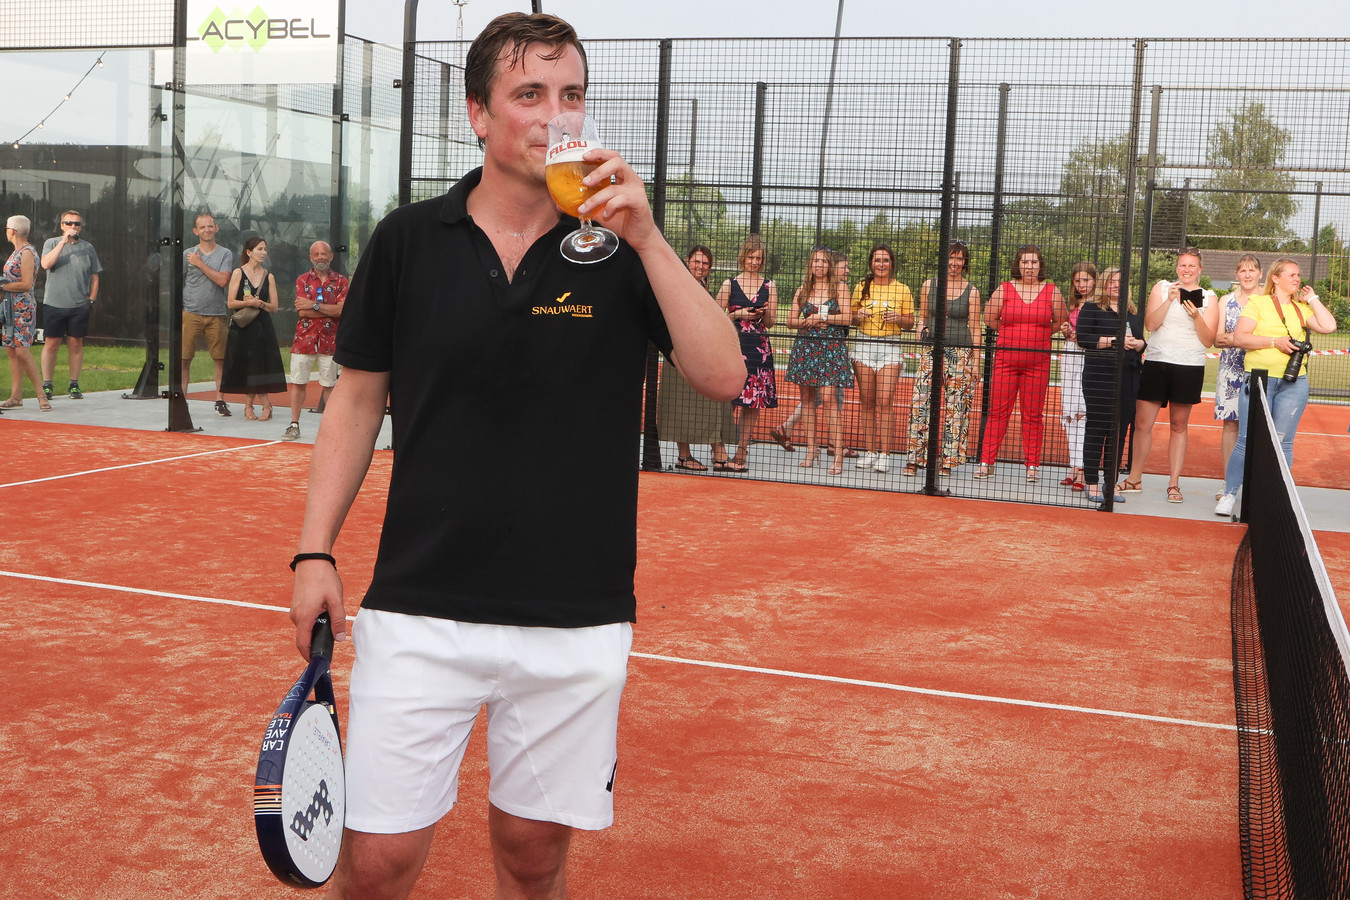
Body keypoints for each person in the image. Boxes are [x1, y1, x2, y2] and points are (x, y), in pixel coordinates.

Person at [287, 14, 744, 899]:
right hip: (421, 604)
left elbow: (725, 375)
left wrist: (648, 237)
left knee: (533, 858)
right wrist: (314, 550)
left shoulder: (619, 250)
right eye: (529, 94)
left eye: (571, 95)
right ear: (478, 116)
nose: (553, 116)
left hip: (575, 611)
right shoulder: (409, 240)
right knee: (377, 863)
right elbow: (354, 401)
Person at [1215, 259, 1337, 517]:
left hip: (1294, 383)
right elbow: (1240, 337)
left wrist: (1313, 298)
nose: (1297, 278)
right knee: (1246, 440)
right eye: (1292, 274)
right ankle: (1230, 494)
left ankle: (1275, 496)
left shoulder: (1301, 308)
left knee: (1284, 443)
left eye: (1299, 275)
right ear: (1276, 278)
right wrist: (1275, 341)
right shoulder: (1258, 303)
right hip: (1260, 380)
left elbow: (1328, 326)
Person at [1119, 248, 1219, 503]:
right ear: (1177, 268)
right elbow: (1150, 326)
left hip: (1189, 365)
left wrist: (1196, 315)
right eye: (1183, 265)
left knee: (1178, 425)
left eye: (1192, 265)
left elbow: (1208, 340)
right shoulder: (1162, 288)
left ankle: (1173, 484)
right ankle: (1134, 479)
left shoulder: (1209, 297)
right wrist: (1169, 301)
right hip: (1157, 362)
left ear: (1200, 269)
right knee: (1142, 423)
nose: (1187, 270)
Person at [975, 244, 1069, 482]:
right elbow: (989, 318)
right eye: (1025, 262)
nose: (1029, 267)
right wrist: (1012, 333)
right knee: (997, 412)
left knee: (1033, 415)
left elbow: (1060, 321)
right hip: (1005, 362)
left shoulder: (1052, 291)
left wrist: (1037, 334)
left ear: (1040, 265)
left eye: (1034, 263)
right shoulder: (1005, 289)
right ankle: (986, 461)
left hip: (1038, 364)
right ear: (1018, 265)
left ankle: (1032, 465)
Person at [904, 240, 983, 478]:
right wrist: (920, 328)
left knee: (955, 407)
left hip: (961, 354)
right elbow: (923, 315)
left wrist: (977, 361)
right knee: (921, 402)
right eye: (950, 257)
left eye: (959, 258)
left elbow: (976, 327)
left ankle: (948, 460)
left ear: (965, 262)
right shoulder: (930, 284)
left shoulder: (973, 291)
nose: (954, 263)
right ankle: (915, 458)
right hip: (932, 351)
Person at [657, 244, 736, 469]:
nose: (700, 267)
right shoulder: (678, 284)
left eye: (705, 263)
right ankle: (685, 456)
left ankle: (718, 454)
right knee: (679, 404)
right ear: (688, 261)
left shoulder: (702, 285)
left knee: (714, 399)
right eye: (696, 262)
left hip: (701, 354)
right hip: (678, 354)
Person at [771, 250, 855, 460]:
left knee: (828, 399)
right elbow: (790, 322)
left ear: (829, 266)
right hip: (806, 348)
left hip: (831, 349)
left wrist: (821, 316)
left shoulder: (840, 288)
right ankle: (811, 451)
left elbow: (847, 318)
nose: (819, 265)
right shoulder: (802, 290)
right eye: (815, 261)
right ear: (811, 265)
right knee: (807, 400)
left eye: (823, 261)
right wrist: (807, 322)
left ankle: (837, 455)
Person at [1075, 267, 1145, 505]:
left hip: (1128, 376)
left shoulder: (1132, 312)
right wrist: (1116, 340)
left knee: (1120, 431)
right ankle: (1092, 482)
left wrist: (1138, 344)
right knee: (1097, 429)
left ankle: (1110, 483)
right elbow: (1084, 339)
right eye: (1112, 281)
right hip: (1099, 377)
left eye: (1120, 281)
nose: (1116, 285)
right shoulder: (1092, 308)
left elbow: (1141, 341)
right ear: (1104, 284)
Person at [849, 244, 913, 472]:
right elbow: (851, 319)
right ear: (871, 264)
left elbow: (910, 322)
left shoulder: (902, 289)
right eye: (877, 260)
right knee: (867, 401)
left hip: (890, 346)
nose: (881, 264)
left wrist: (898, 318)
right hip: (864, 345)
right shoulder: (861, 287)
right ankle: (870, 451)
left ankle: (885, 454)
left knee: (884, 401)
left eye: (886, 260)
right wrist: (858, 315)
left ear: (892, 264)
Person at [717, 233, 778, 472]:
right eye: (751, 257)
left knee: (753, 402)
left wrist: (763, 313)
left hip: (759, 348)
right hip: (734, 345)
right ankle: (722, 449)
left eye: (759, 258)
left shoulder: (769, 285)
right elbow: (716, 315)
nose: (755, 261)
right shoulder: (729, 283)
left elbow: (772, 322)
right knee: (731, 397)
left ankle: (742, 450)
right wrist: (738, 315)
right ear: (744, 257)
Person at [283, 240, 348, 441]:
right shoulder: (302, 280)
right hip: (304, 339)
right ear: (311, 258)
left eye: (324, 253)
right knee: (298, 382)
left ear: (331, 256)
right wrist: (325, 309)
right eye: (316, 254)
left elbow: (342, 310)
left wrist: (314, 306)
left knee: (329, 384)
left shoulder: (341, 281)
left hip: (331, 341)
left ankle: (332, 428)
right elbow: (302, 311)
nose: (321, 257)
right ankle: (294, 424)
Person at [220, 237, 286, 419]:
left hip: (263, 326)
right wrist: (247, 302)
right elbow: (231, 303)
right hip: (243, 326)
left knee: (260, 366)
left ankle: (255, 405)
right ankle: (261, 405)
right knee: (248, 366)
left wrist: (260, 304)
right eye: (259, 249)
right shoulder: (238, 273)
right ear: (249, 252)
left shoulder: (269, 276)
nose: (263, 252)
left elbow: (275, 307)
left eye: (265, 249)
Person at [39, 210, 101, 401]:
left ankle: (74, 384)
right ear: (61, 225)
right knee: (52, 344)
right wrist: (63, 242)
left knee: (76, 344)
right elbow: (45, 264)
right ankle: (47, 385)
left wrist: (91, 299)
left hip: (79, 306)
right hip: (54, 303)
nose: (73, 227)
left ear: (81, 226)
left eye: (76, 224)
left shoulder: (88, 247)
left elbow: (95, 276)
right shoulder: (51, 243)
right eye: (68, 223)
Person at [1213, 254, 1262, 489]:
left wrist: (1236, 338)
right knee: (1230, 425)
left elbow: (1269, 338)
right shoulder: (1226, 300)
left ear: (1260, 274)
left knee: (1256, 427)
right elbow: (1217, 339)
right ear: (1236, 275)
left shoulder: (1268, 300)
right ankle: (1229, 483)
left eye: (1252, 270)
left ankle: (1253, 486)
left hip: (1259, 370)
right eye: (1243, 271)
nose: (1248, 275)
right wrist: (1245, 338)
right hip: (1230, 370)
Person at [180, 213, 235, 416]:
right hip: (191, 313)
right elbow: (180, 282)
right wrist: (183, 309)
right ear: (196, 231)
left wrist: (200, 263)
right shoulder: (187, 254)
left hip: (216, 314)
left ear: (216, 228)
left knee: (220, 359)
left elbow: (222, 280)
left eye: (210, 226)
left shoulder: (225, 254)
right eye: (202, 227)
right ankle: (182, 401)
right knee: (184, 359)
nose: (207, 230)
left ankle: (220, 401)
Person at [2, 216, 51, 411]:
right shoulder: (16, 252)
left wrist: (3, 286)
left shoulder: (27, 252)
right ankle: (16, 396)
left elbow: (26, 284)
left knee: (22, 350)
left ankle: (41, 395)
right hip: (10, 307)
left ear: (12, 231)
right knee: (12, 350)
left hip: (22, 308)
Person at [1056, 262, 1094, 490]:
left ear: (1094, 281)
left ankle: (1083, 468)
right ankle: (1073, 465)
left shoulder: (1098, 305)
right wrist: (1067, 332)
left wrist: (1079, 336)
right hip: (1070, 357)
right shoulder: (1073, 303)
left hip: (1086, 358)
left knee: (1082, 412)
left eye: (1086, 280)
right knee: (1069, 412)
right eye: (1077, 280)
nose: (1081, 284)